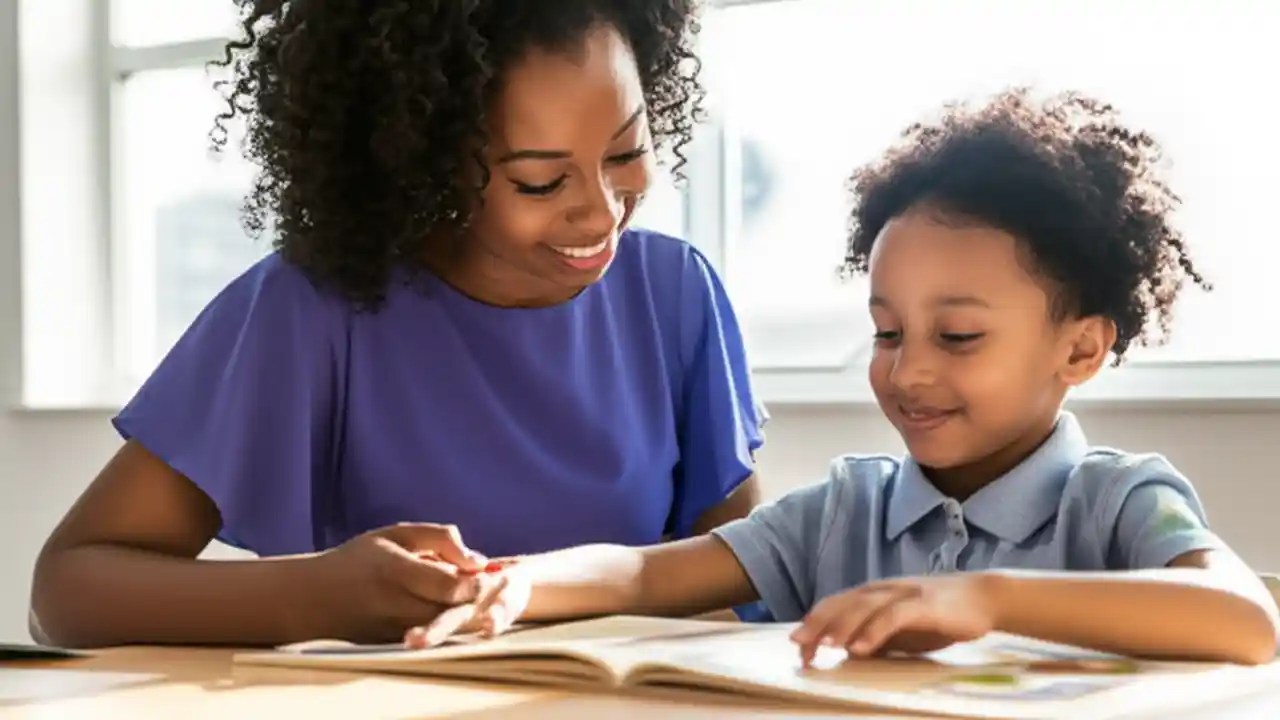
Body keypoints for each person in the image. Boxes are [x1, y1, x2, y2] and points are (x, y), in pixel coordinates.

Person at [409, 89, 1280, 666]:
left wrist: (987, 598)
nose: (911, 369)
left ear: (1081, 350)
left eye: (960, 335)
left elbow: (1246, 622)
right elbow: (647, 578)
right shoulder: (844, 513)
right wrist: (516, 583)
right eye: (887, 331)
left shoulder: (1123, 502)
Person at [30, 0, 767, 648]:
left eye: (626, 153)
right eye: (539, 181)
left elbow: (744, 577)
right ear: (425, 154)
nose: (603, 211)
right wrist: (315, 595)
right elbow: (65, 593)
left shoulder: (675, 294)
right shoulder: (312, 308)